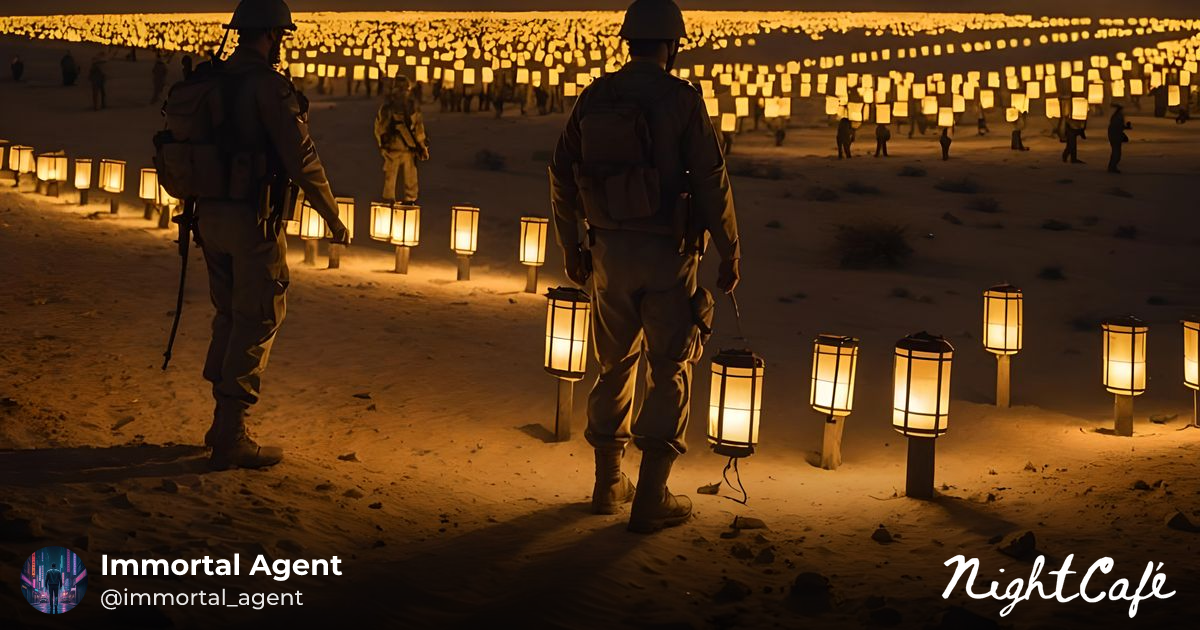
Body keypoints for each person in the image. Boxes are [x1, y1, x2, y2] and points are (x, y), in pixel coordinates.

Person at [549, 0, 740, 534]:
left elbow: (561, 172)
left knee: (613, 365)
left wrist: (570, 247)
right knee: (670, 367)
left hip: (608, 252)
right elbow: (711, 178)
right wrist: (730, 249)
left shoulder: (596, 95)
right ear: (672, 46)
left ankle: (607, 484)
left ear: (628, 42)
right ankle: (651, 496)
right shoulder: (681, 100)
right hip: (668, 257)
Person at [194, 0, 350, 470]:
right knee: (258, 317)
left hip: (208, 216)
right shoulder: (267, 86)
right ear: (270, 35)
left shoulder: (212, 79)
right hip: (251, 220)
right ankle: (231, 433)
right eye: (280, 36)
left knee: (229, 314)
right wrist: (332, 215)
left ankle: (220, 421)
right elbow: (301, 158)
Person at [375, 74, 428, 203]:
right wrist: (421, 145)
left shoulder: (393, 107)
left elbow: (380, 127)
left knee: (405, 176)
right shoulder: (392, 108)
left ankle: (403, 198)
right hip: (398, 147)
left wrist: (422, 145)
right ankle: (401, 198)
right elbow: (381, 127)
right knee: (396, 176)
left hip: (402, 148)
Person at [1107, 103, 1131, 173]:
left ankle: (1112, 166)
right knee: (1116, 152)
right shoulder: (1118, 116)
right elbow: (1118, 126)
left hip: (1114, 135)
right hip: (1115, 135)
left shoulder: (1116, 116)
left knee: (1115, 151)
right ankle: (1112, 166)